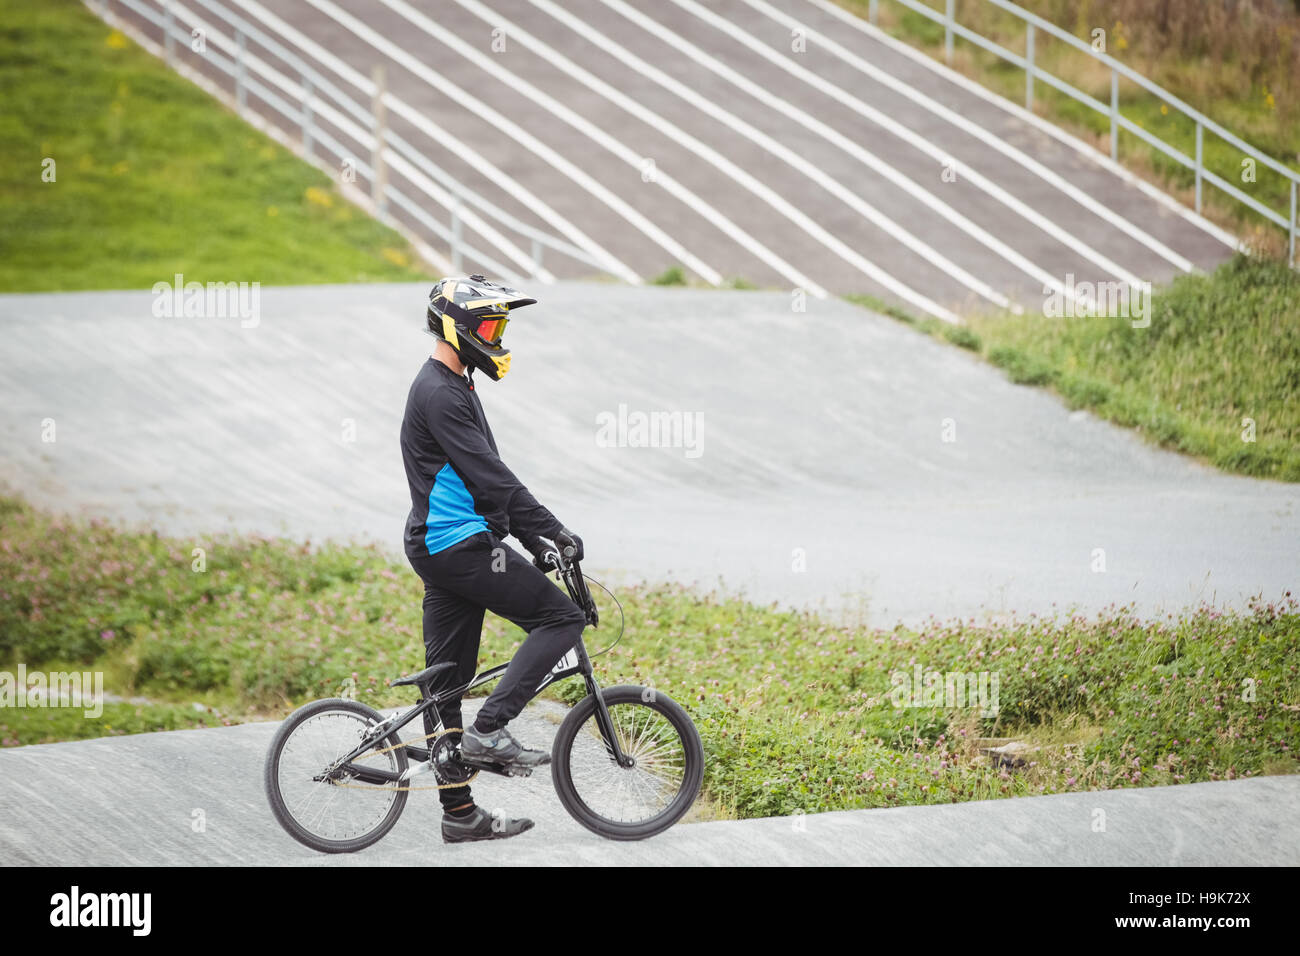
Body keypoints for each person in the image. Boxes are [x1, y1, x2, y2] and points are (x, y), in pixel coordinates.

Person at [399, 274, 587, 844]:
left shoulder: (455, 382)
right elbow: (491, 477)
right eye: (488, 324)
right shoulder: (441, 393)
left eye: (499, 325)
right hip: (459, 547)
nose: (496, 335)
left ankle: (459, 816)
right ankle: (490, 729)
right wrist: (551, 529)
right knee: (561, 618)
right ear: (456, 327)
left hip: (443, 545)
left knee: (446, 680)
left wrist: (533, 542)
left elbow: (482, 482)